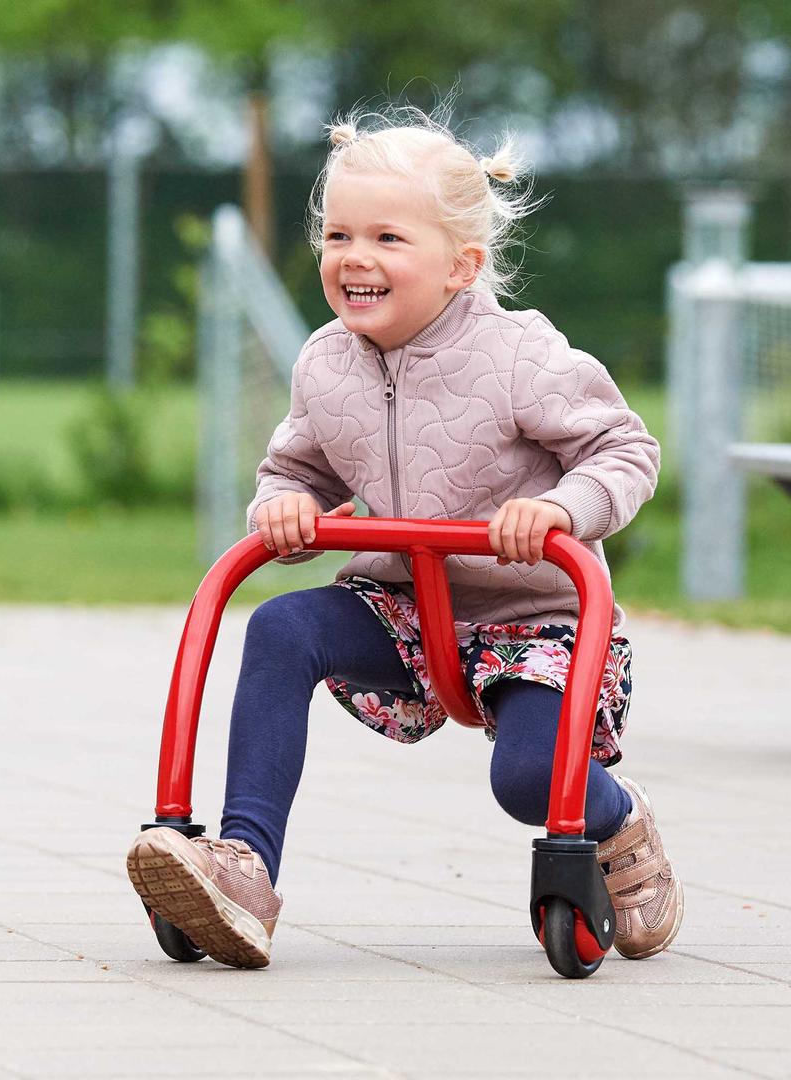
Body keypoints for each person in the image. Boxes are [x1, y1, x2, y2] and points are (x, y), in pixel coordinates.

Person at [127, 104, 680, 969]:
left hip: (533, 617)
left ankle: (619, 821)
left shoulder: (519, 354)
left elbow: (626, 449)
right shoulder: (325, 362)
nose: (355, 257)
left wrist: (562, 510)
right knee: (280, 626)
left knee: (530, 780)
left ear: (463, 265)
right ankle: (243, 867)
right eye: (338, 235)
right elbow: (296, 469)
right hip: (402, 604)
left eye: (388, 238)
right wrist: (285, 506)